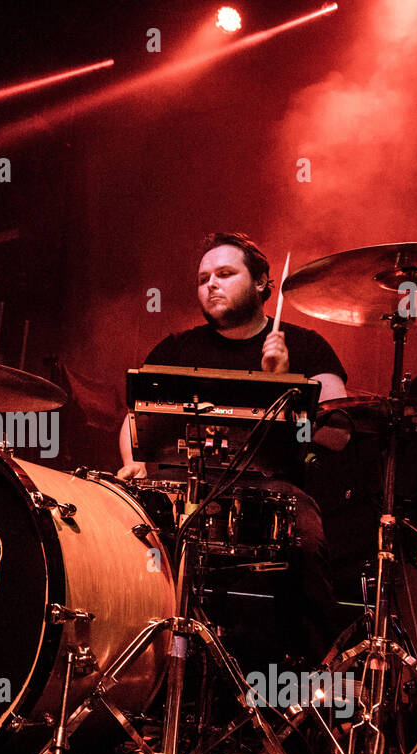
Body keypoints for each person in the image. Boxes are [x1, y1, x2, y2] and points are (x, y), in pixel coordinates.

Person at [118, 232, 347, 661]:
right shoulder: (177, 348)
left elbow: (337, 431)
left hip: (271, 492)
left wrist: (280, 381)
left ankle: (310, 683)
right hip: (179, 489)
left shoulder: (306, 346)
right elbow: (135, 418)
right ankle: (137, 671)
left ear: (262, 282)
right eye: (204, 277)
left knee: (308, 546)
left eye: (225, 273)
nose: (211, 285)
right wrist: (134, 463)